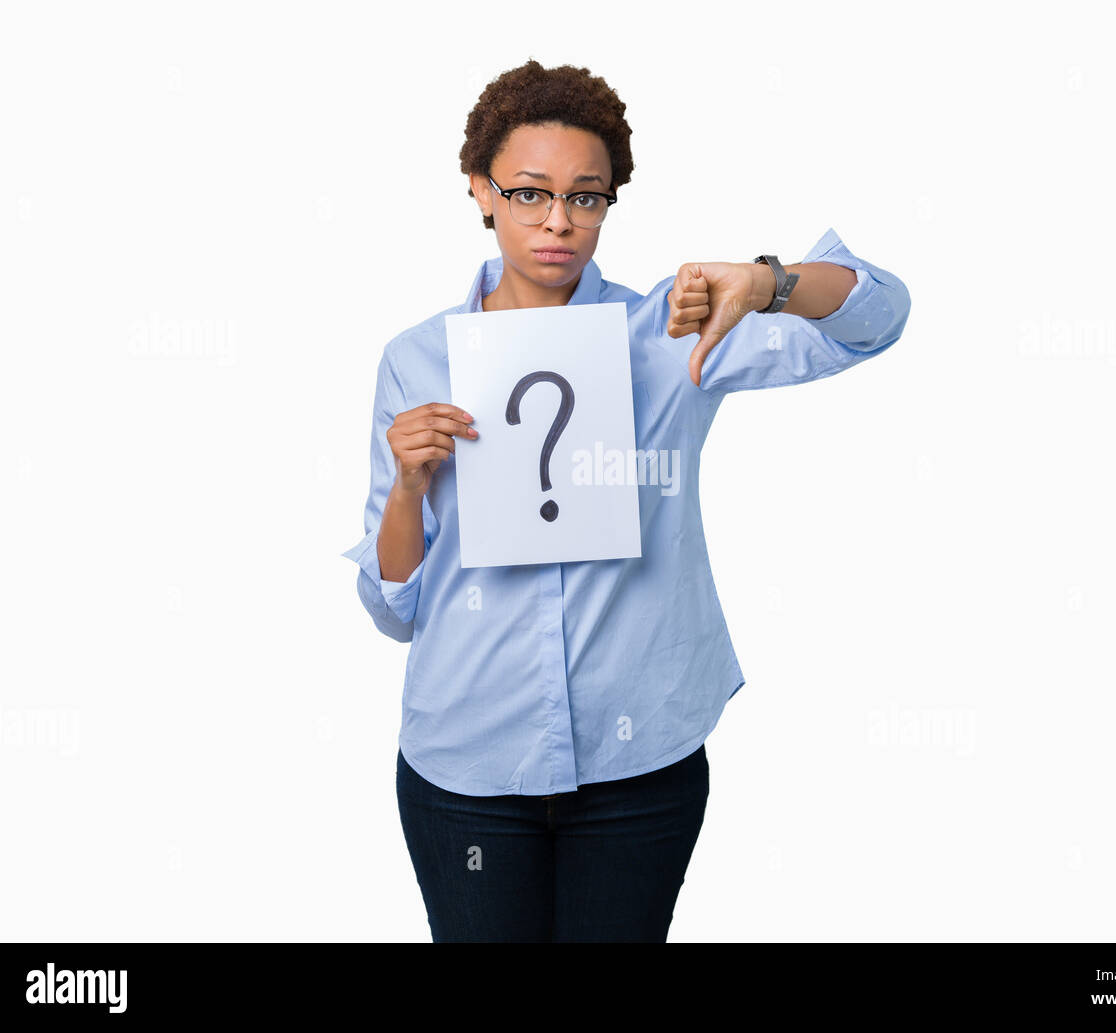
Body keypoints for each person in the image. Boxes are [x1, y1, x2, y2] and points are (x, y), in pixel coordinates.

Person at [342, 59, 912, 942]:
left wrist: (767, 282)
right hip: (467, 766)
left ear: (612, 202)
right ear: (479, 191)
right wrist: (408, 489)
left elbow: (877, 320)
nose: (559, 221)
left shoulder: (675, 331)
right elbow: (397, 609)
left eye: (587, 196)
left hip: (638, 763)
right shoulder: (416, 358)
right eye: (529, 193)